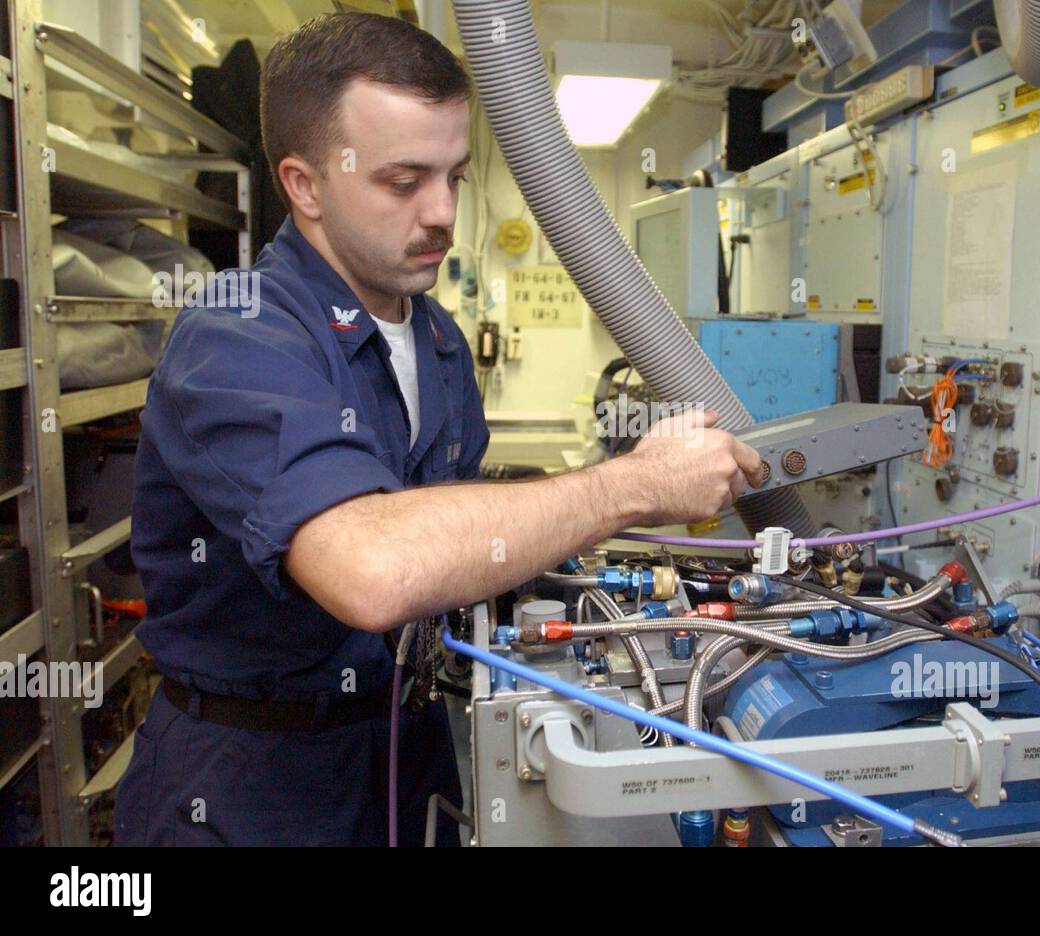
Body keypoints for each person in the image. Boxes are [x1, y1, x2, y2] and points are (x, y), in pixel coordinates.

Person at [115, 11, 763, 846]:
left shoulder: (437, 340)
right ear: (305, 185)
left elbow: (444, 531)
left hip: (401, 750)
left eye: (455, 175)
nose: (442, 213)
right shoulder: (235, 334)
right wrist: (629, 486)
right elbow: (372, 568)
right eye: (403, 180)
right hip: (255, 783)